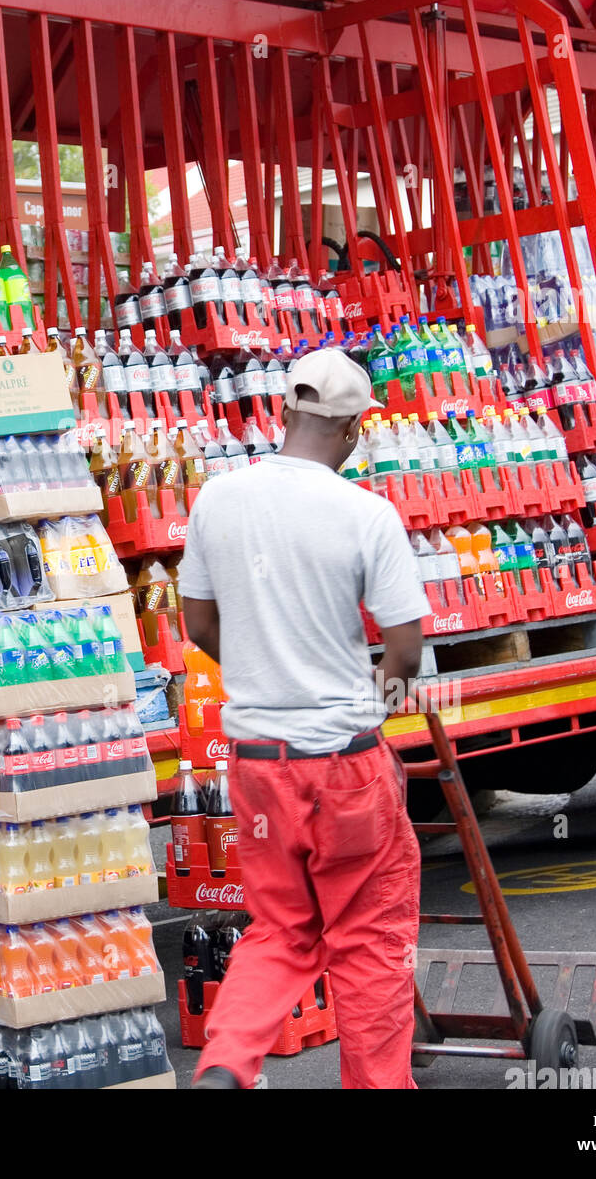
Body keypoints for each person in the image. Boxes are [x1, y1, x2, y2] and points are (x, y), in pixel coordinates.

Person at [178, 347, 429, 1090]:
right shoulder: (365, 513)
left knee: (279, 930)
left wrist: (262, 672)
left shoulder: (216, 500)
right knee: (370, 940)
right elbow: (407, 651)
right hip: (344, 762)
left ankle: (226, 1063)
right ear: (353, 429)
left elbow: (198, 623)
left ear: (283, 412)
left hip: (257, 762)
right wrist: (375, 707)